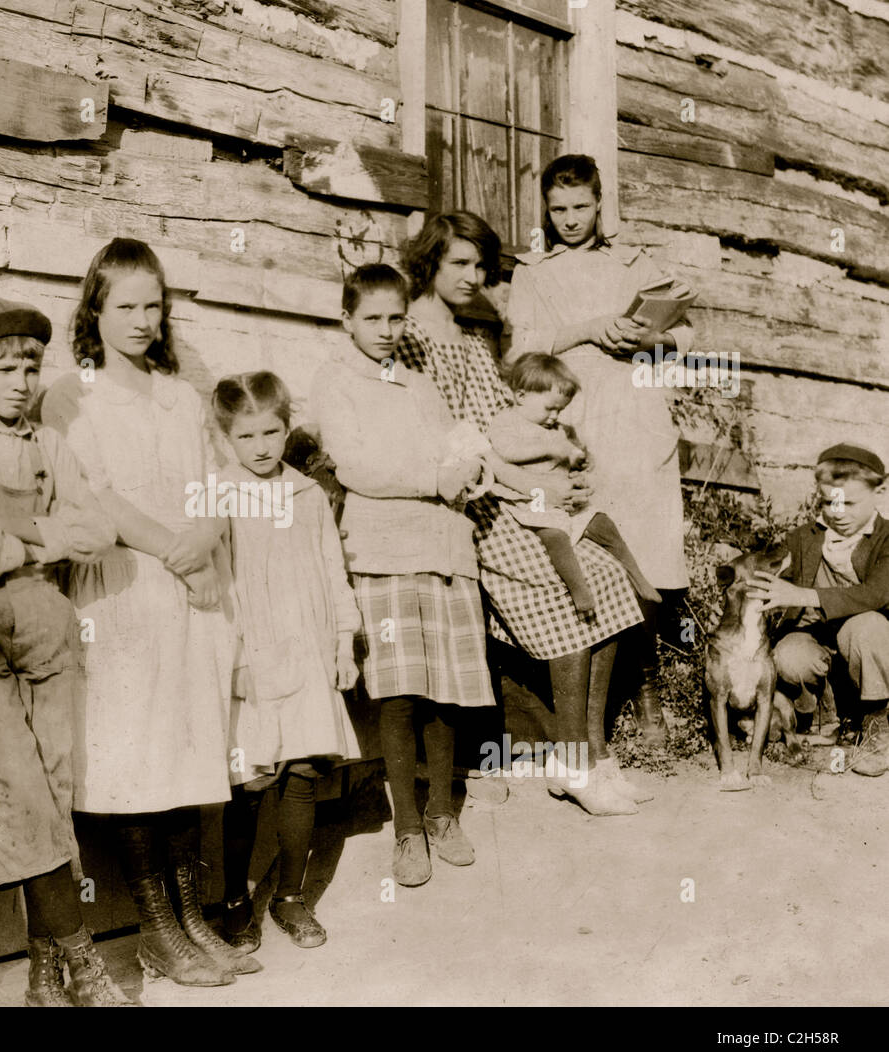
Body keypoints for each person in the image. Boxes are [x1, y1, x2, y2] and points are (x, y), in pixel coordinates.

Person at [42, 237, 258, 986]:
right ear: (94, 309)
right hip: (127, 591)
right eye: (124, 306)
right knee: (137, 757)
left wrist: (207, 539)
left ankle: (193, 918)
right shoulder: (72, 396)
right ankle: (155, 930)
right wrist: (180, 554)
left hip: (194, 589)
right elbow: (95, 497)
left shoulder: (181, 395)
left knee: (188, 750)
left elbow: (208, 482)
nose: (140, 320)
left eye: (152, 306)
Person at [394, 212, 649, 815]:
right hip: (464, 506)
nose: (473, 276)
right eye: (459, 263)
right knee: (565, 590)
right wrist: (530, 491)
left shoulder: (478, 347)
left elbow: (506, 431)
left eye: (481, 266)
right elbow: (455, 443)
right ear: (429, 262)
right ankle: (574, 763)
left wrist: (549, 481)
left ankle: (589, 752)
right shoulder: (404, 339)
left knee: (608, 578)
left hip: (509, 495)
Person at [0, 298, 130, 1006]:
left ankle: (46, 976)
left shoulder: (50, 444)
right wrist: (45, 534)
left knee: (56, 792)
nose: (21, 380)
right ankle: (86, 963)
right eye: (5, 366)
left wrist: (18, 536)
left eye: (33, 366)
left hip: (49, 621)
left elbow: (100, 528)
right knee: (14, 792)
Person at [311, 262, 494, 887]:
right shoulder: (335, 383)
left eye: (396, 318)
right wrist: (433, 475)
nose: (386, 330)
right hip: (384, 549)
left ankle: (443, 813)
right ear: (347, 320)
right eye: (373, 319)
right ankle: (408, 826)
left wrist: (467, 467)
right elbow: (360, 464)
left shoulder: (419, 384)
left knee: (444, 687)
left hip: (443, 546)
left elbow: (457, 445)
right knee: (399, 689)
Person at [505, 154, 692, 742]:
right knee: (594, 542)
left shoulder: (634, 263)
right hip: (577, 418)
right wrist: (587, 328)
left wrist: (652, 335)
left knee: (647, 545)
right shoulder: (534, 273)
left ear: (600, 203)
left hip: (636, 413)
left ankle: (646, 685)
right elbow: (520, 351)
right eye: (558, 209)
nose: (569, 218)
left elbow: (683, 334)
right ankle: (593, 706)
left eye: (581, 206)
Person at [211, 371, 360, 949]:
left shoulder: (309, 494)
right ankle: (233, 900)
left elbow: (332, 570)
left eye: (272, 431)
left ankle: (291, 897)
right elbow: (217, 582)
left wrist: (343, 643)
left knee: (301, 772)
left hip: (306, 649)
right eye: (247, 437)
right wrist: (235, 658)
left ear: (287, 426)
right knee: (249, 781)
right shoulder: (220, 495)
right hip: (249, 654)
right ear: (227, 438)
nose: (262, 447)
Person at [748, 443, 889, 777]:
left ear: (879, 490)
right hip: (819, 639)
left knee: (867, 628)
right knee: (789, 656)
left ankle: (877, 723)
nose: (838, 512)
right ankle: (833, 718)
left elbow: (876, 594)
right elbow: (770, 575)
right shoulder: (806, 537)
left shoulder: (887, 538)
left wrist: (801, 595)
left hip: (870, 645)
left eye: (849, 502)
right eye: (830, 502)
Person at [487, 352, 661, 616]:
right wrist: (550, 448)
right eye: (550, 408)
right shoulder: (507, 422)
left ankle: (638, 576)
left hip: (564, 498)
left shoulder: (557, 429)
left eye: (561, 410)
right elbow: (506, 451)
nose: (555, 416)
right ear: (521, 396)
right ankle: (578, 589)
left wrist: (581, 463)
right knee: (555, 535)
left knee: (603, 523)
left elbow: (574, 453)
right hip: (529, 499)